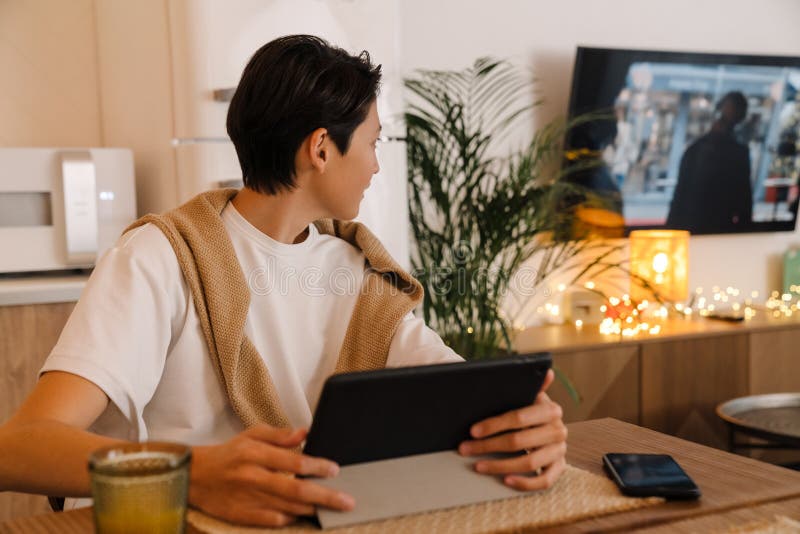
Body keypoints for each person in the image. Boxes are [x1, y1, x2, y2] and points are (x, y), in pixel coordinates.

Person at [0, 35, 567, 527]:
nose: (375, 164)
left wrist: (527, 429)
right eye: (372, 143)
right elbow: (18, 449)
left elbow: (461, 398)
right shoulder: (159, 259)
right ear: (321, 148)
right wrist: (193, 474)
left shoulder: (359, 274)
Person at [666, 91, 753, 233]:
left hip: (715, 228)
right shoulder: (696, 150)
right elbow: (680, 194)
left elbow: (744, 200)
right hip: (699, 227)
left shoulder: (737, 153)